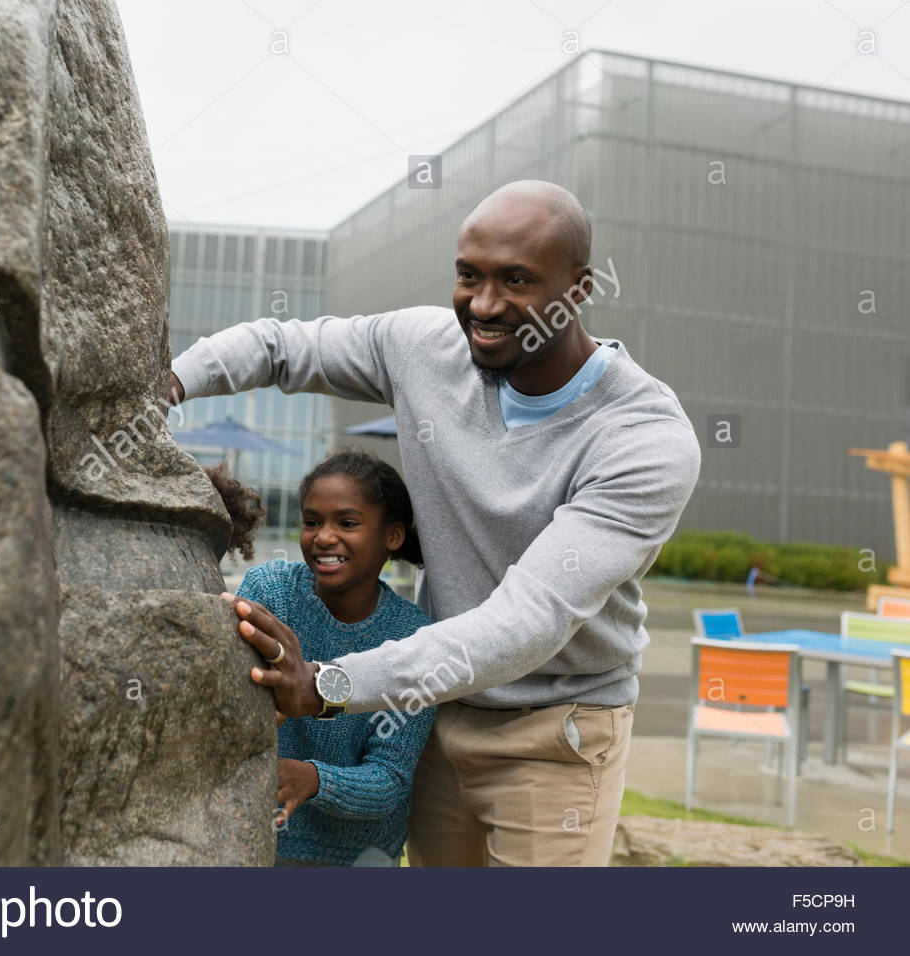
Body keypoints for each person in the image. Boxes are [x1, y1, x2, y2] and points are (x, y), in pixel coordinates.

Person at [170, 180, 702, 866]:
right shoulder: (424, 347)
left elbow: (527, 622)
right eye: (468, 276)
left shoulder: (642, 438)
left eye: (516, 280)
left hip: (557, 734)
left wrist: (329, 684)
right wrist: (167, 386)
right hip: (437, 714)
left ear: (578, 288)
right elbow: (278, 345)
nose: (483, 305)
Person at [208, 452, 434, 866]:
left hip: (360, 854)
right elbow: (233, 704)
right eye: (312, 521)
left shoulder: (413, 638)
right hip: (258, 837)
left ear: (393, 536)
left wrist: (312, 779)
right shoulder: (271, 592)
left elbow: (389, 778)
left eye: (347, 523)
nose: (323, 537)